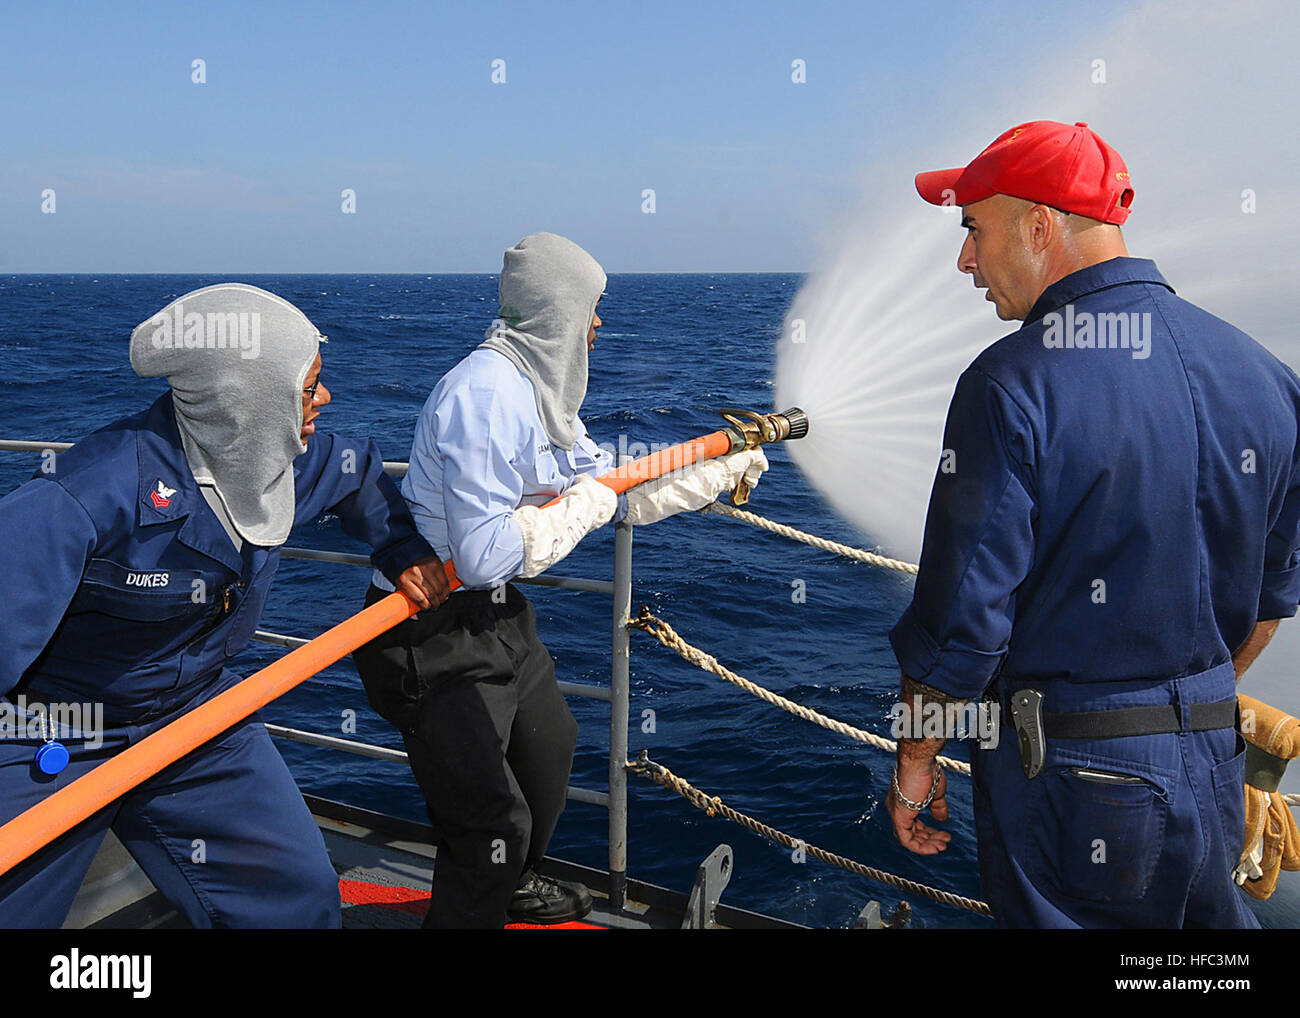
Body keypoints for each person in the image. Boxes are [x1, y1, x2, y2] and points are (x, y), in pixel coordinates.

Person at [882, 120, 1300, 928]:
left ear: (1040, 226)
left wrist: (916, 759)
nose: (964, 260)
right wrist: (1179, 713)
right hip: (1212, 764)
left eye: (973, 228)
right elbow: (1273, 600)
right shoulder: (1266, 376)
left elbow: (958, 631)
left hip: (1072, 789)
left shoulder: (1008, 387)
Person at [0, 283, 450, 928]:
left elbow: (356, 471)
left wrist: (401, 546)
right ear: (250, 399)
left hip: (198, 715)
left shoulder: (284, 461)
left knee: (296, 898)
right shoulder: (82, 496)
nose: (324, 397)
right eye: (307, 385)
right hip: (57, 729)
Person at [353, 232, 766, 928]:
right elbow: (484, 554)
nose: (599, 323)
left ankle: (514, 886)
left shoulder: (540, 393)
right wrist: (586, 506)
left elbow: (615, 489)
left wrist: (715, 474)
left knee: (552, 748)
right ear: (557, 312)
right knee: (489, 828)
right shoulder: (484, 397)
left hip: (495, 616)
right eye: (592, 308)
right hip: (427, 633)